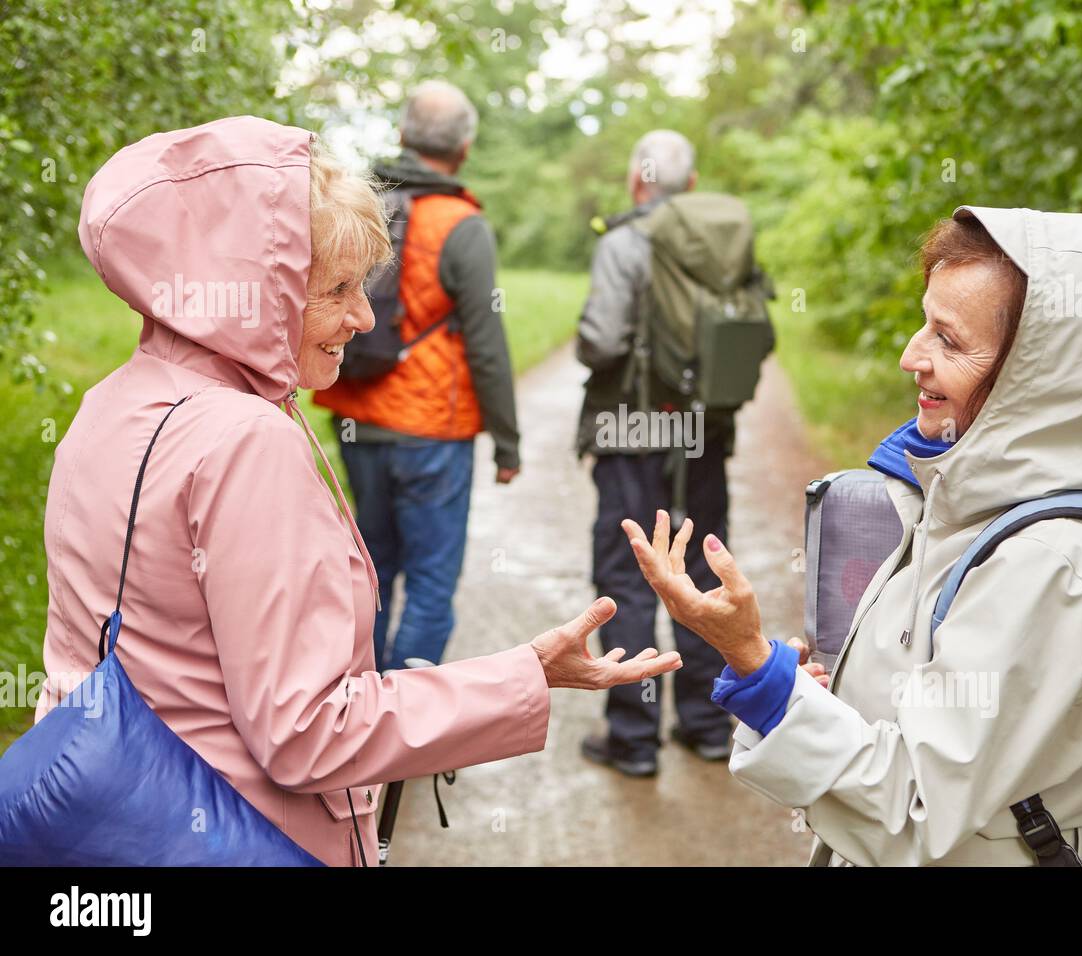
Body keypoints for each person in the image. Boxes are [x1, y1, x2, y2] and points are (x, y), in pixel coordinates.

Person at [36, 115, 680, 867]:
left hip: (102, 825)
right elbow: (307, 734)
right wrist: (523, 675)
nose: (363, 317)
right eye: (337, 289)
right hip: (237, 834)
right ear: (250, 291)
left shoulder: (107, 405)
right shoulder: (247, 441)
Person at [623, 206, 1082, 865]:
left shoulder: (1051, 559)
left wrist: (757, 670)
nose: (912, 356)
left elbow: (911, 810)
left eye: (950, 341)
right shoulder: (975, 502)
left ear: (1045, 381)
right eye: (924, 326)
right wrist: (817, 697)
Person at [314, 80, 517, 671]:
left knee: (372, 572)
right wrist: (507, 439)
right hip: (433, 430)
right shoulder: (462, 223)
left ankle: (358, 715)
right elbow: (486, 341)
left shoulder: (361, 204)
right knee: (430, 584)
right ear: (465, 149)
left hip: (358, 421)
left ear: (402, 135)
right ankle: (402, 739)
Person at [575, 130, 742, 777]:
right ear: (692, 186)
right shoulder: (721, 244)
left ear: (635, 181)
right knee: (701, 571)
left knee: (630, 574)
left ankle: (634, 740)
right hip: (704, 436)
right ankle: (706, 725)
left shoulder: (622, 243)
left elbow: (600, 342)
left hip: (631, 434)